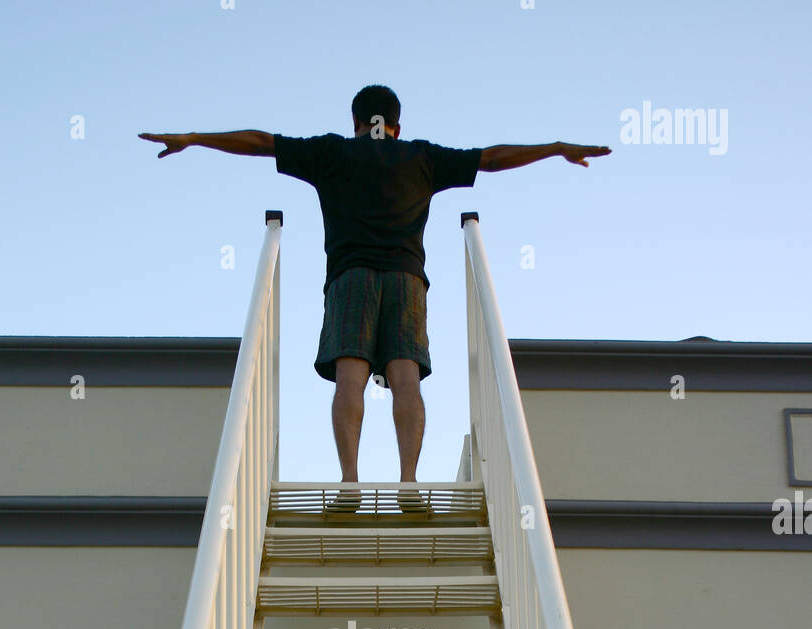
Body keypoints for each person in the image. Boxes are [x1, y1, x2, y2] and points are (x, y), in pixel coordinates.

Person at [140, 86, 610, 512]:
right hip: (407, 281)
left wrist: (195, 137)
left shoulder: (332, 152)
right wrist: (555, 149)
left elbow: (262, 143)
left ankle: (349, 486)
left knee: (351, 379)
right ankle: (408, 485)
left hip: (351, 279)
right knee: (406, 380)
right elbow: (490, 158)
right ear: (396, 123)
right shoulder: (420, 157)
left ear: (356, 121)